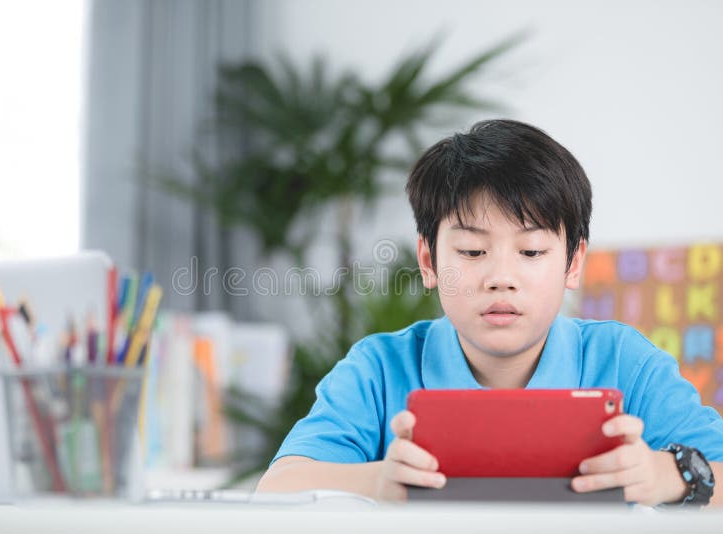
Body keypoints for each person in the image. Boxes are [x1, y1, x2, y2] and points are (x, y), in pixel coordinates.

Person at [256, 119, 723, 505]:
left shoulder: (625, 361)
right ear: (428, 261)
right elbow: (276, 487)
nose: (501, 277)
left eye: (532, 251)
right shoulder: (377, 369)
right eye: (474, 251)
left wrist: (667, 475)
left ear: (573, 262)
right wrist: (378, 483)